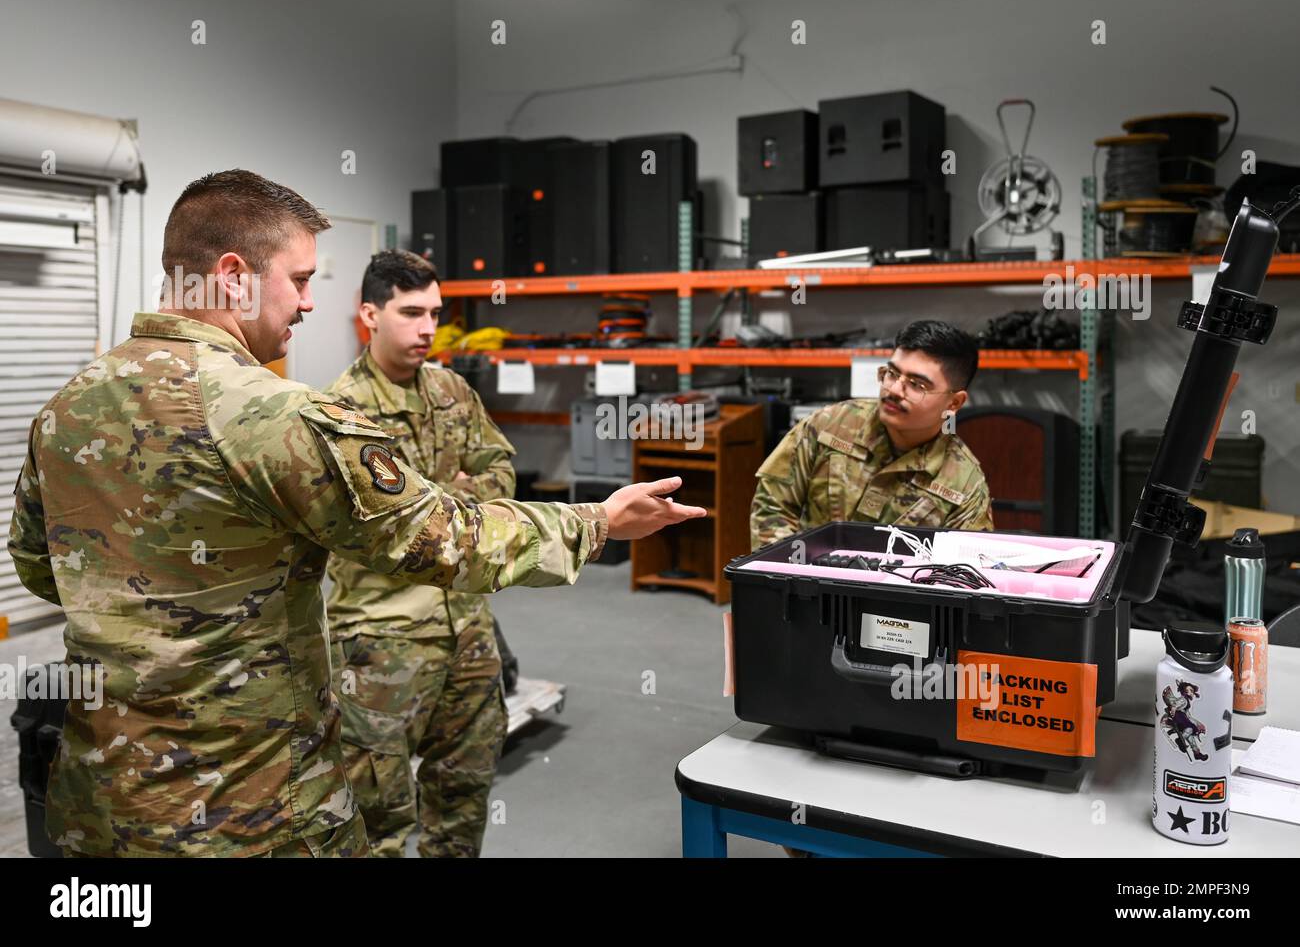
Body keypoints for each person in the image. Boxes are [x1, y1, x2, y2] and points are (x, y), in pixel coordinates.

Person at [7, 169, 704, 858]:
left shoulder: (68, 404)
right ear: (232, 275)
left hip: (104, 805)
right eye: (301, 279)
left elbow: (42, 570)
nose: (311, 303)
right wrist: (598, 521)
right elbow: (442, 538)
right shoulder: (270, 413)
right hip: (249, 808)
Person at [324, 249, 513, 857]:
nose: (428, 328)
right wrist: (448, 499)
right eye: (411, 312)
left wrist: (450, 500)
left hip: (469, 631)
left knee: (463, 799)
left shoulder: (453, 390)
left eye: (435, 312)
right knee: (376, 819)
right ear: (369, 315)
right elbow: (382, 528)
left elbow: (502, 470)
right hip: (384, 640)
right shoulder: (339, 411)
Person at [750, 319, 994, 549]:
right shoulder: (829, 425)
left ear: (954, 403)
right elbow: (772, 508)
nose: (895, 390)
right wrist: (794, 578)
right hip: (803, 584)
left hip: (895, 592)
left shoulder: (965, 485)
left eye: (917, 385)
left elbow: (960, 574)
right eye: (892, 373)